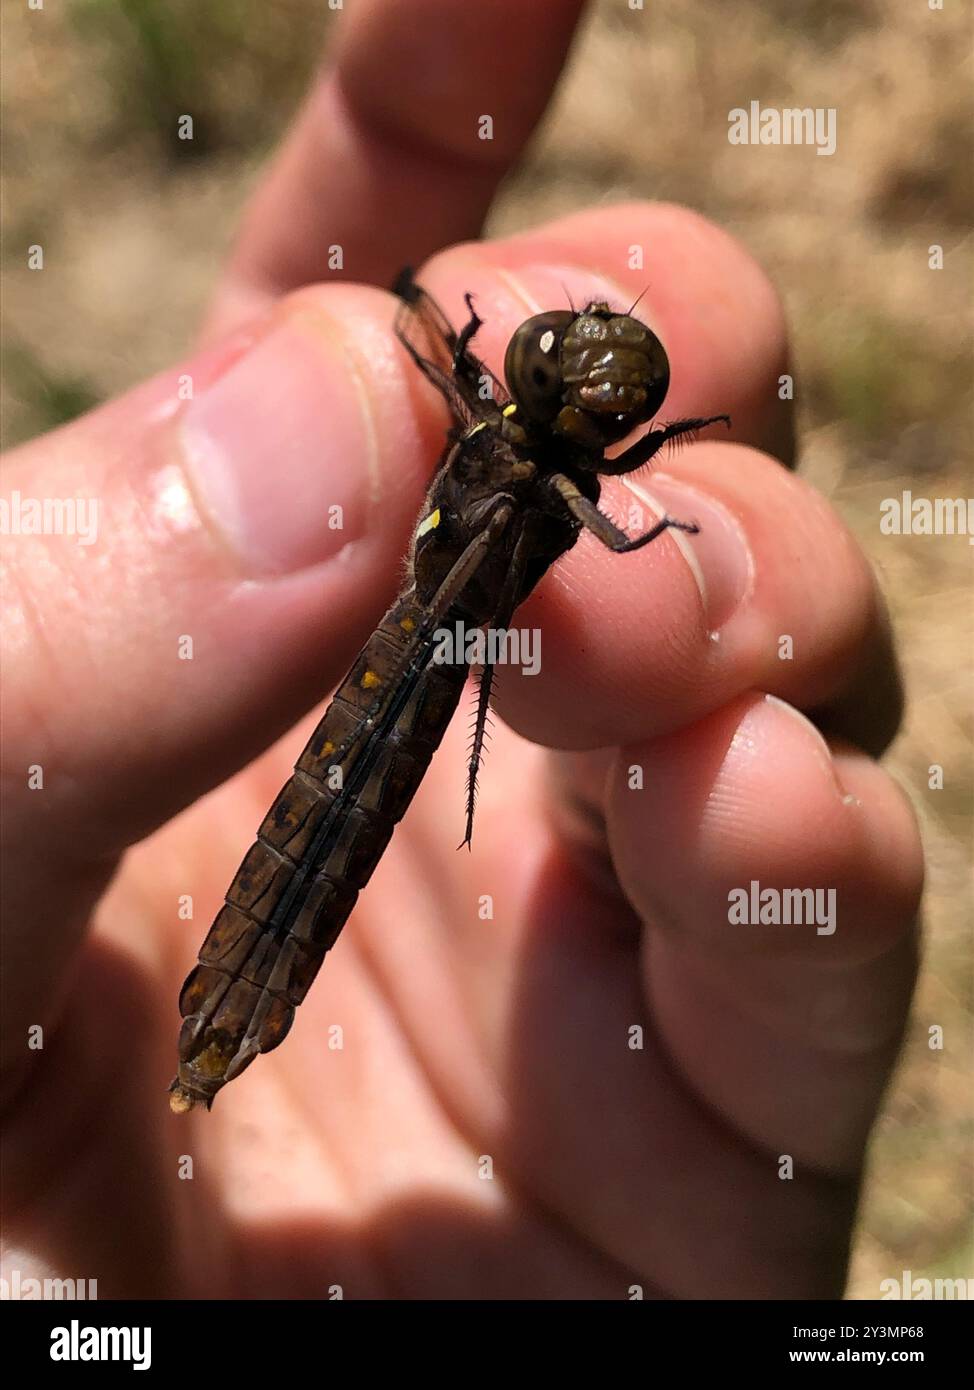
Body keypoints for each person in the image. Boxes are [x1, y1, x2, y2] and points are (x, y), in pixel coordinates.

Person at [1, 0, 921, 1298]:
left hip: (415, 671)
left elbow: (569, 492)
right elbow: (595, 512)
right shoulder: (547, 468)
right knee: (320, 841)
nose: (592, 382)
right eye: (583, 376)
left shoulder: (517, 453)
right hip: (408, 675)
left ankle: (215, 1037)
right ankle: (214, 1035)